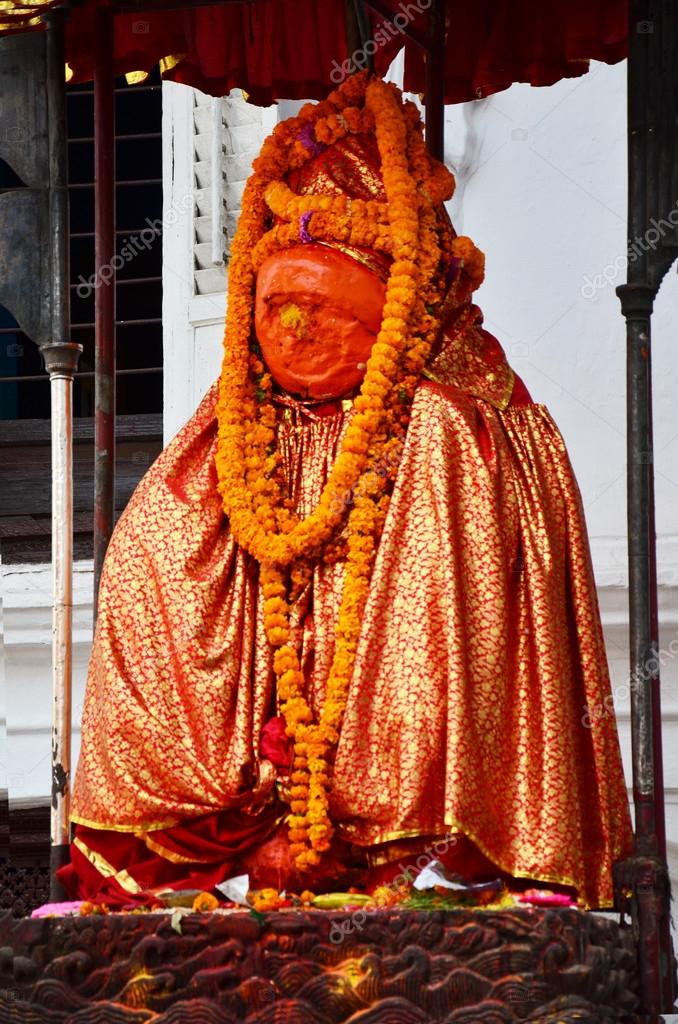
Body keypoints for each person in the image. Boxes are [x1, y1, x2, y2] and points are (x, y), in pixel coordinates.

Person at [58, 72, 632, 910]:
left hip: (417, 858)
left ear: (397, 310)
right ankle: (240, 844)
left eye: (321, 304)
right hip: (242, 813)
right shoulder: (225, 436)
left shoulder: (461, 426)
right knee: (153, 542)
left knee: (440, 444)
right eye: (276, 302)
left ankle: (392, 844)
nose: (292, 329)